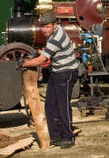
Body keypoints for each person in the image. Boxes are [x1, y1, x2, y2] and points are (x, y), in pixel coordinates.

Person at [21, 18, 79, 148]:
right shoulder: (54, 33)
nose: (44, 30)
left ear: (54, 25)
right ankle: (56, 136)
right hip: (57, 71)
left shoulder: (55, 38)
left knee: (62, 105)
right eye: (42, 27)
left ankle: (68, 137)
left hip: (67, 72)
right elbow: (45, 53)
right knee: (50, 105)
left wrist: (23, 63)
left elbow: (40, 60)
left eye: (47, 27)